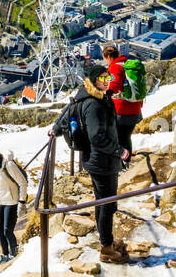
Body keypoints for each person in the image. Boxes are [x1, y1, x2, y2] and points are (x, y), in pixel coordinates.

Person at [53, 70, 129, 263]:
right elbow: (96, 136)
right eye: (103, 78)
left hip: (95, 160)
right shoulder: (94, 104)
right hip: (102, 161)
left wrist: (54, 129)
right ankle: (106, 248)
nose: (107, 81)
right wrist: (119, 151)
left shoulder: (87, 96)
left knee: (100, 201)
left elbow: (65, 116)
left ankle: (107, 241)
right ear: (94, 81)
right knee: (107, 205)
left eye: (108, 77)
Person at [101, 45, 146, 165]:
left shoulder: (115, 67)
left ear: (109, 57)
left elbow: (114, 85)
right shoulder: (127, 64)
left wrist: (104, 93)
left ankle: (122, 163)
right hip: (135, 108)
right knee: (126, 136)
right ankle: (127, 160)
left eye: (105, 58)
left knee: (119, 138)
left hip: (122, 110)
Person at [0, 145, 28, 263]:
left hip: (11, 201)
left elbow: (22, 183)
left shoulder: (8, 165)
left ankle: (14, 252)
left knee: (7, 230)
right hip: (0, 201)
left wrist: (22, 202)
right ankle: (5, 255)